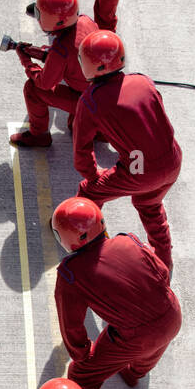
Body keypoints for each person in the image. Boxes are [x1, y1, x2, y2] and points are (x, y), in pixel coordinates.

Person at [72, 31, 182, 274]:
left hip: (140, 171)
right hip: (173, 160)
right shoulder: (144, 81)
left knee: (89, 193)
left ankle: (90, 249)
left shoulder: (90, 101)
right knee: (148, 203)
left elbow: (82, 151)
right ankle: (164, 261)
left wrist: (93, 176)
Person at [52, 196, 182, 389]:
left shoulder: (71, 274)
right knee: (149, 353)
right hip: (172, 313)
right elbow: (163, 272)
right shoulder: (128, 240)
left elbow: (71, 325)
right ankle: (133, 374)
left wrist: (83, 355)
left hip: (137, 336)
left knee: (82, 375)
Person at [9, 0, 96, 148]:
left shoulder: (61, 51)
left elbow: (44, 82)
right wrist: (40, 53)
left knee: (32, 89)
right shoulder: (85, 21)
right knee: (75, 126)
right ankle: (96, 127)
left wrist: (26, 61)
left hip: (89, 102)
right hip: (102, 95)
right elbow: (71, 56)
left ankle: (39, 136)